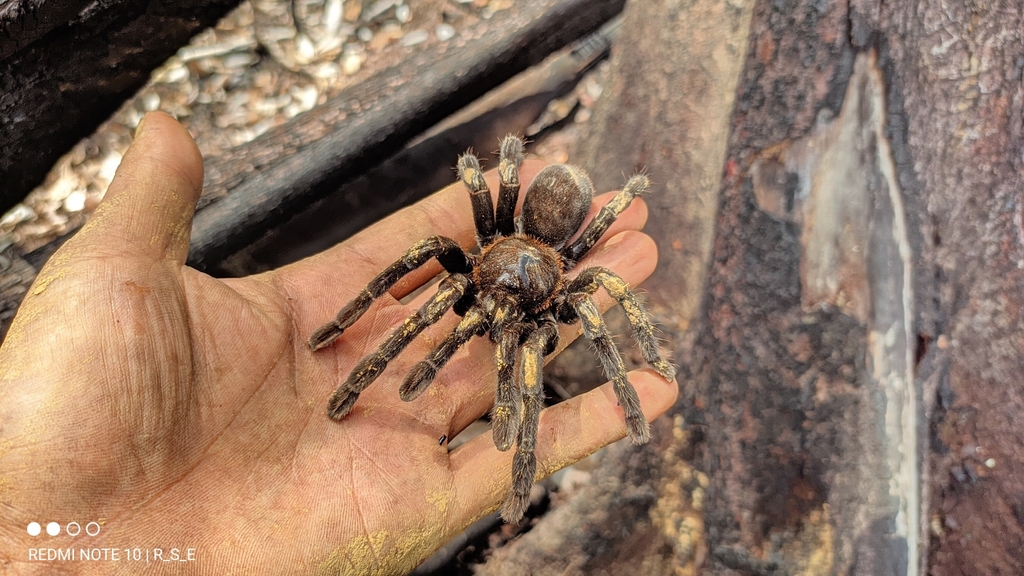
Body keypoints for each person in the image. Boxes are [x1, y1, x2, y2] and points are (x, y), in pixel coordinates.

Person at [0, 112, 677, 573]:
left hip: (545, 264)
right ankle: (346, 340)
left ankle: (535, 458)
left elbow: (603, 298)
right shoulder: (474, 264)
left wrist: (634, 349)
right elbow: (478, 190)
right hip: (503, 261)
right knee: (423, 285)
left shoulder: (566, 278)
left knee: (581, 316)